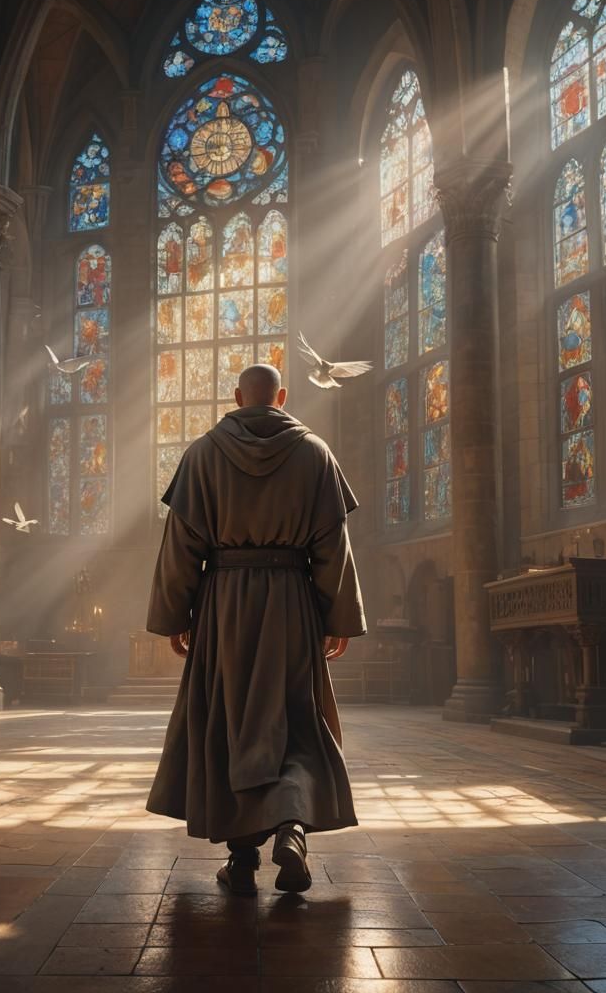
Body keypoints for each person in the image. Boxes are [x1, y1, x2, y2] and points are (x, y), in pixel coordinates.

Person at [146, 364, 366, 895]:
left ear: (238, 396)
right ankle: (291, 830)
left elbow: (181, 546)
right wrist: (338, 616)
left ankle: (241, 857)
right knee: (294, 720)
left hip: (224, 605)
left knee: (231, 722)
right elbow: (332, 547)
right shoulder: (315, 454)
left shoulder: (201, 454)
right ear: (282, 397)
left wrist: (175, 614)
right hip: (292, 603)